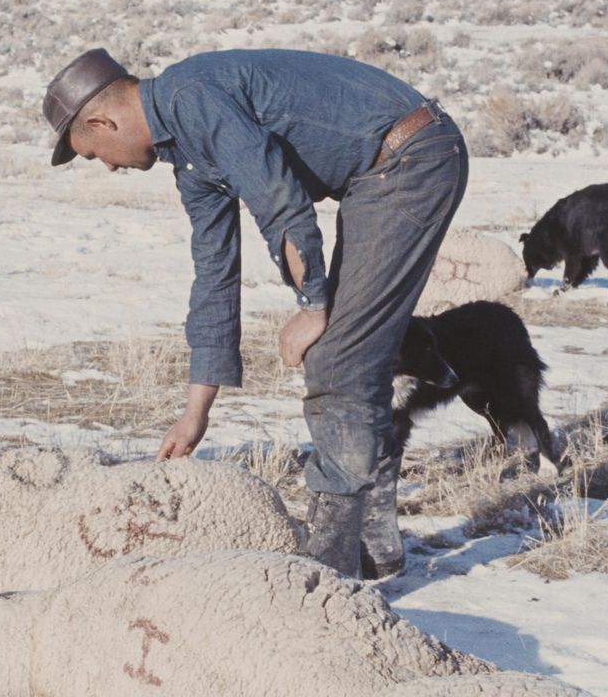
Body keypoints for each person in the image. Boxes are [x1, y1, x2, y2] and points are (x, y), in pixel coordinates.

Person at [42, 49, 467, 580]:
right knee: (356, 354)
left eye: (94, 153)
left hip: (411, 157)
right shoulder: (189, 156)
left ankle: (328, 572)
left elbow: (277, 195)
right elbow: (215, 275)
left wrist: (312, 304)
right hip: (379, 174)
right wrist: (197, 409)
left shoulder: (190, 95)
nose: (107, 165)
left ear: (104, 121)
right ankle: (377, 548)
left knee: (336, 356)